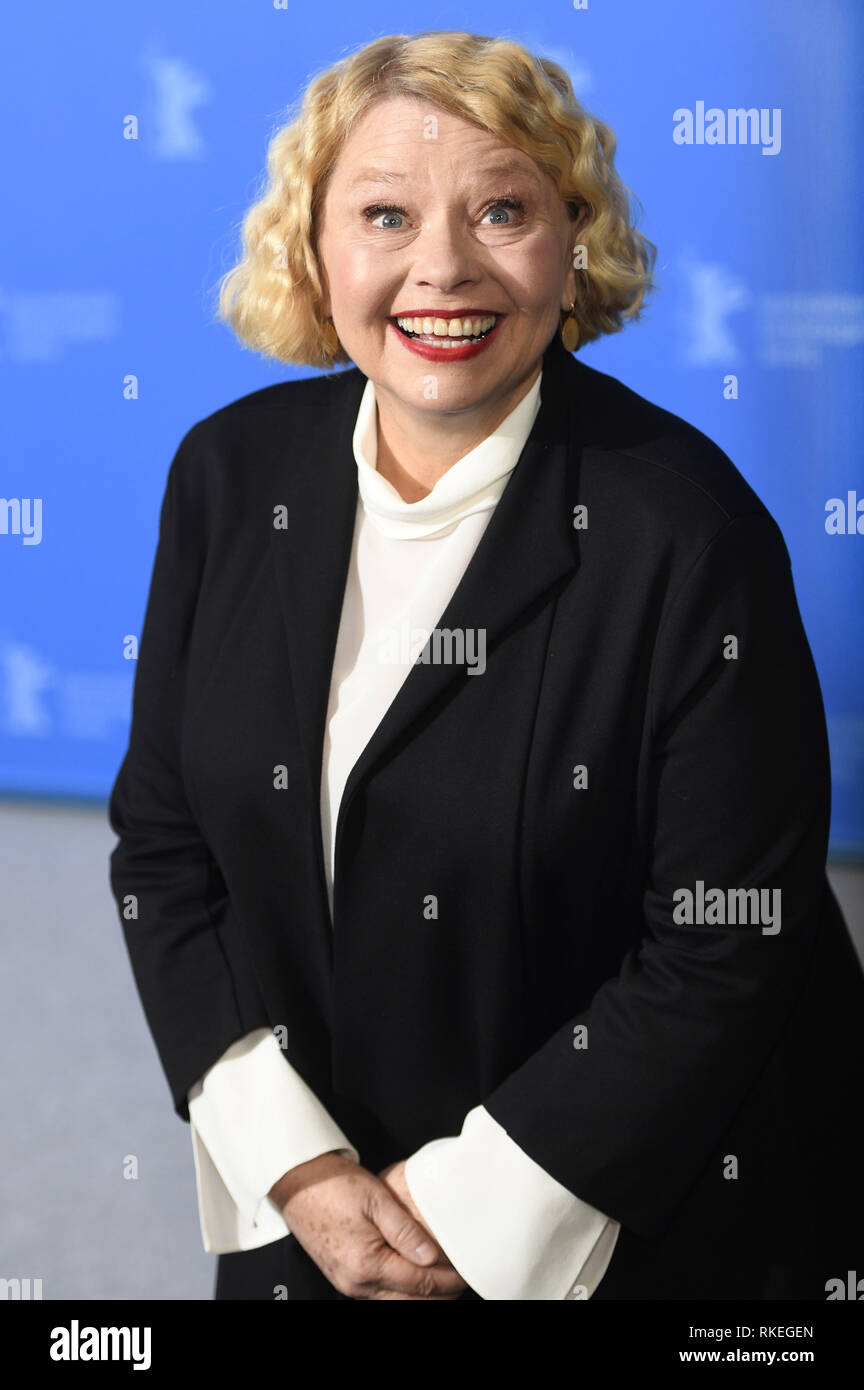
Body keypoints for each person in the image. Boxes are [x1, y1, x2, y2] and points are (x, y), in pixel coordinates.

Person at [108, 30, 864, 1302]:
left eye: (501, 209)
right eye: (385, 214)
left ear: (573, 244)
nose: (442, 268)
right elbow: (163, 845)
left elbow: (728, 940)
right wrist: (291, 1163)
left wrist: (470, 1209)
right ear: (314, 248)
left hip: (637, 1229)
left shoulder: (692, 534)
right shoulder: (227, 478)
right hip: (316, 1218)